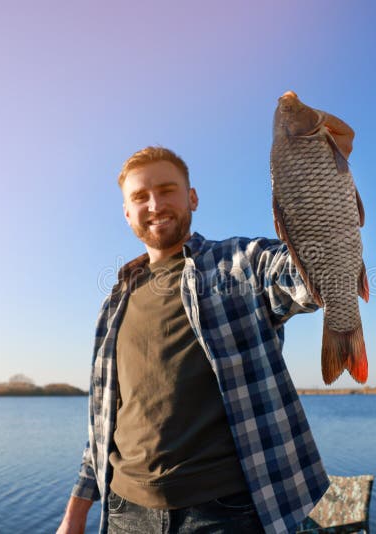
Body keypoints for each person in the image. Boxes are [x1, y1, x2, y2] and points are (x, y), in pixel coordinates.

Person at [58, 119, 354, 534]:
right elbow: (101, 421)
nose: (155, 204)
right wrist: (75, 515)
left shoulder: (240, 263)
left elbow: (306, 279)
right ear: (127, 213)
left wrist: (321, 174)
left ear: (192, 198)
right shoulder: (115, 301)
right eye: (140, 197)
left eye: (167, 190)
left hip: (224, 512)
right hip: (125, 513)